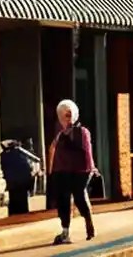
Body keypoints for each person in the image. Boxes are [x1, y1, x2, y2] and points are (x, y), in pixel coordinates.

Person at [48, 99, 97, 245]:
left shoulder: (82, 132)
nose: (66, 118)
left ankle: (88, 221)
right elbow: (52, 150)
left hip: (80, 170)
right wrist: (51, 171)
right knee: (63, 200)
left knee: (79, 196)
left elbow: (87, 152)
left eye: (69, 115)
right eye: (63, 115)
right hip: (62, 171)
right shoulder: (59, 133)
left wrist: (91, 168)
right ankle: (65, 232)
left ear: (75, 115)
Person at [0, 138, 41, 215]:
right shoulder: (19, 152)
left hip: (12, 182)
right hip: (22, 182)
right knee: (22, 201)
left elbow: (3, 168)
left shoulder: (4, 155)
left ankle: (14, 216)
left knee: (13, 200)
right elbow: (32, 163)